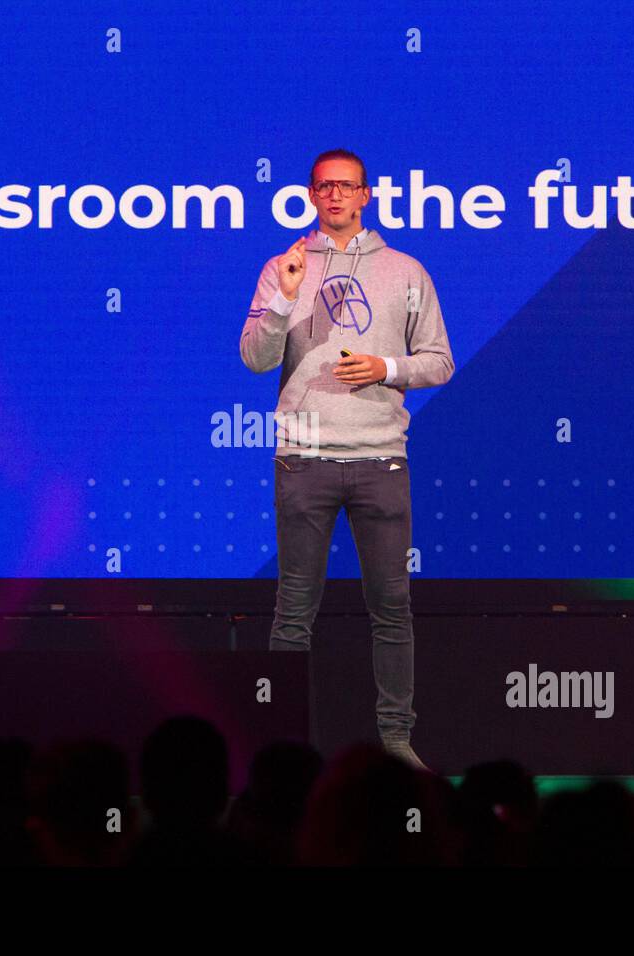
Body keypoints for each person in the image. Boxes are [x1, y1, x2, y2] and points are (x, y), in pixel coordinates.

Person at [239, 148, 454, 771]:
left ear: (366, 195)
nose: (335, 195)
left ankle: (395, 741)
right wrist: (283, 297)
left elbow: (439, 360)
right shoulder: (286, 266)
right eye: (324, 186)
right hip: (303, 458)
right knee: (293, 611)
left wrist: (386, 368)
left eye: (347, 186)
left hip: (380, 460)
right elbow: (254, 359)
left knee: (391, 608)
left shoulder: (406, 270)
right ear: (312, 195)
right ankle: (280, 748)